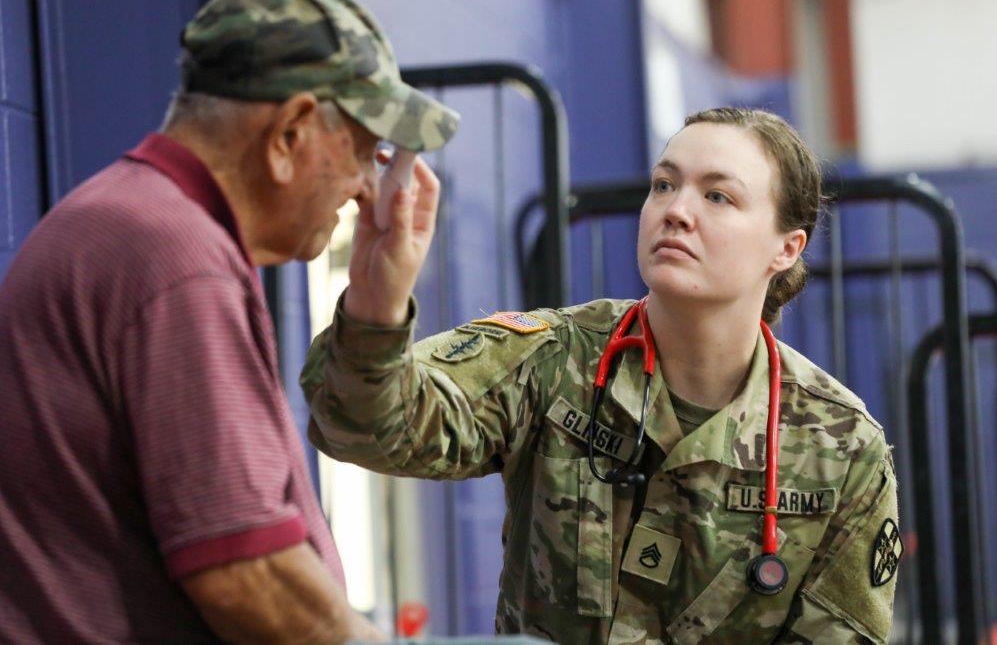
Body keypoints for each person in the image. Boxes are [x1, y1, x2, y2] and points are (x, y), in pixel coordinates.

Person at [302, 107, 901, 643]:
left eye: (718, 196)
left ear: (786, 248)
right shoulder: (552, 357)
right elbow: (360, 428)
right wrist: (377, 302)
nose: (677, 211)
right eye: (664, 185)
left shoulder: (842, 447)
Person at [0, 0, 457, 643]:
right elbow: (247, 574)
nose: (367, 186)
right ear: (290, 133)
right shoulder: (178, 257)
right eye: (365, 151)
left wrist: (375, 300)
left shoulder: (130, 218)